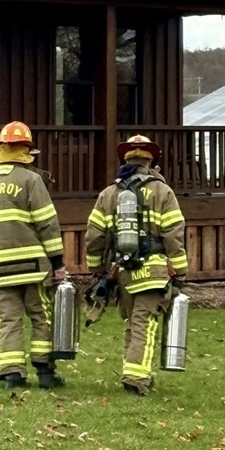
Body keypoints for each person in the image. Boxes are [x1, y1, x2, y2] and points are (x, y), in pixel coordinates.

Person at [0, 121, 66, 390]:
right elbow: (47, 224)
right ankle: (45, 372)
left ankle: (11, 375)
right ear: (27, 151)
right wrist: (57, 263)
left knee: (8, 319)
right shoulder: (32, 181)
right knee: (41, 315)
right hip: (32, 265)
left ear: (1, 149)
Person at [85, 134, 188, 396]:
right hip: (153, 270)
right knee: (145, 322)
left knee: (134, 322)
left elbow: (94, 236)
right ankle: (137, 378)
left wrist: (97, 270)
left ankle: (132, 371)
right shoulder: (163, 191)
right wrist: (180, 272)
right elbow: (173, 235)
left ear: (125, 160)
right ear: (151, 162)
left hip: (123, 272)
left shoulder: (108, 194)